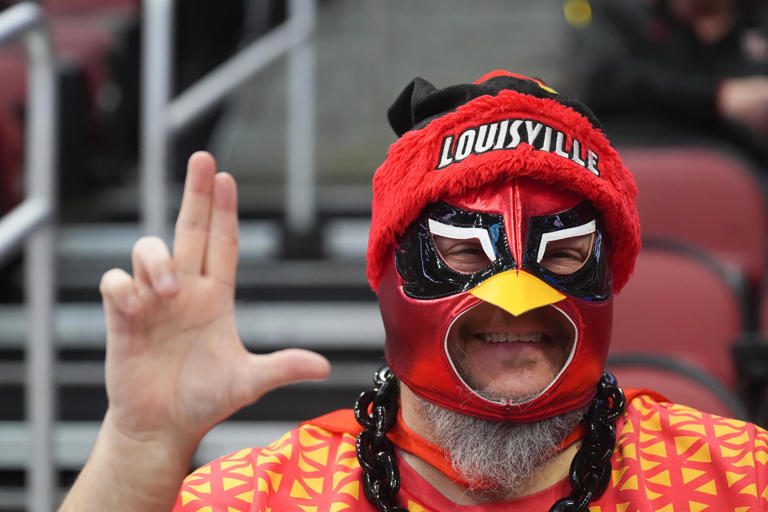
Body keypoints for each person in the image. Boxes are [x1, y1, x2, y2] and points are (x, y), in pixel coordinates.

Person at [58, 71, 768, 512]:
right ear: (389, 274)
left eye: (567, 253)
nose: (515, 298)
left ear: (607, 274)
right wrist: (138, 448)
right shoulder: (263, 499)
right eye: (462, 253)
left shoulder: (740, 480)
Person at [565, 0, 768, 164]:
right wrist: (717, 97)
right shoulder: (628, 16)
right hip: (648, 154)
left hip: (741, 164)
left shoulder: (754, 26)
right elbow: (604, 80)